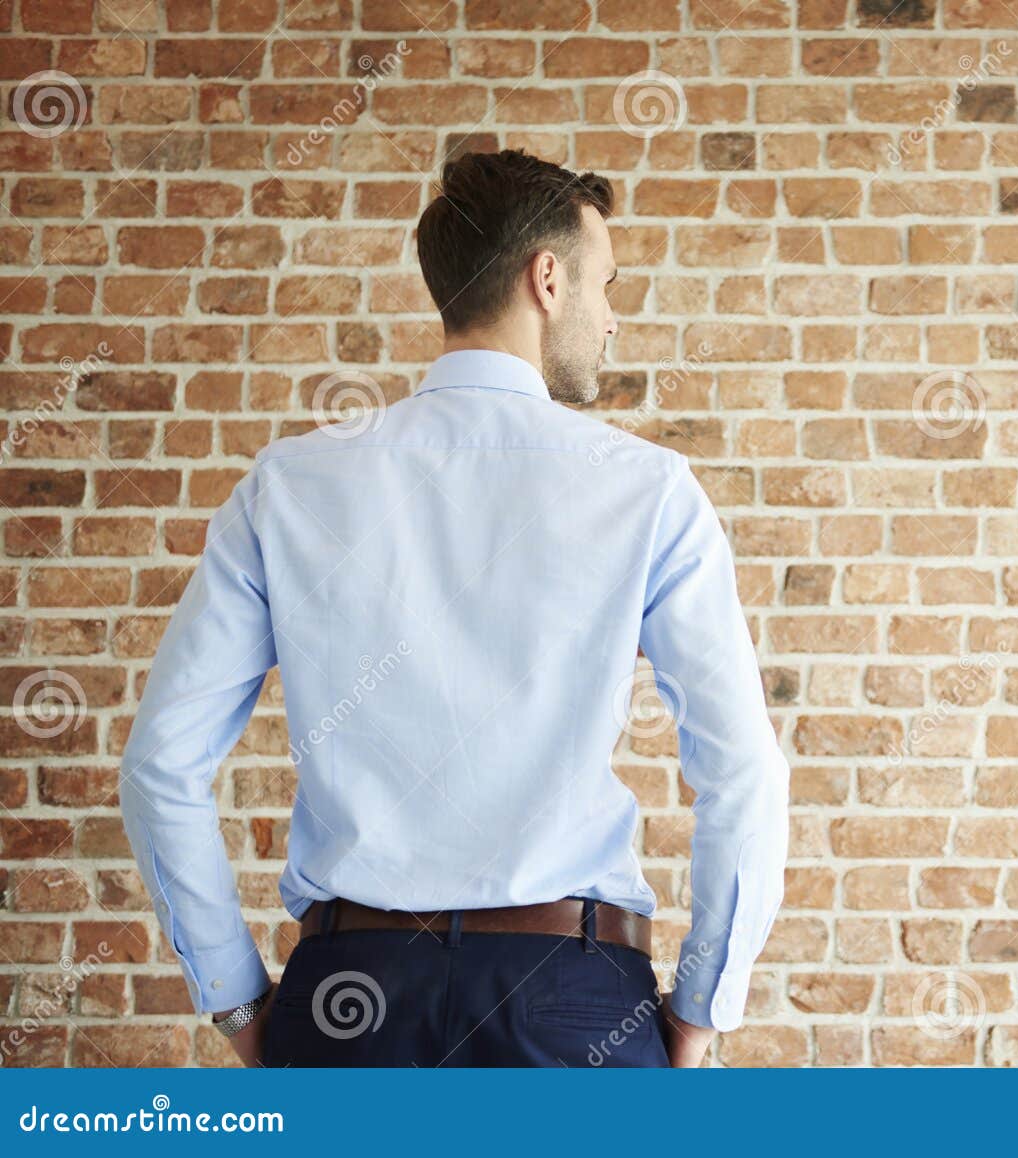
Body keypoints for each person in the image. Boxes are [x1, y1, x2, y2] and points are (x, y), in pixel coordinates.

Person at [118, 148, 791, 1068]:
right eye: (606, 286)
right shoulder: (648, 490)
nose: (612, 319)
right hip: (574, 1002)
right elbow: (743, 770)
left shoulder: (290, 485)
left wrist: (236, 1000)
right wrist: (702, 1010)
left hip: (349, 1004)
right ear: (546, 279)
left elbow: (160, 764)